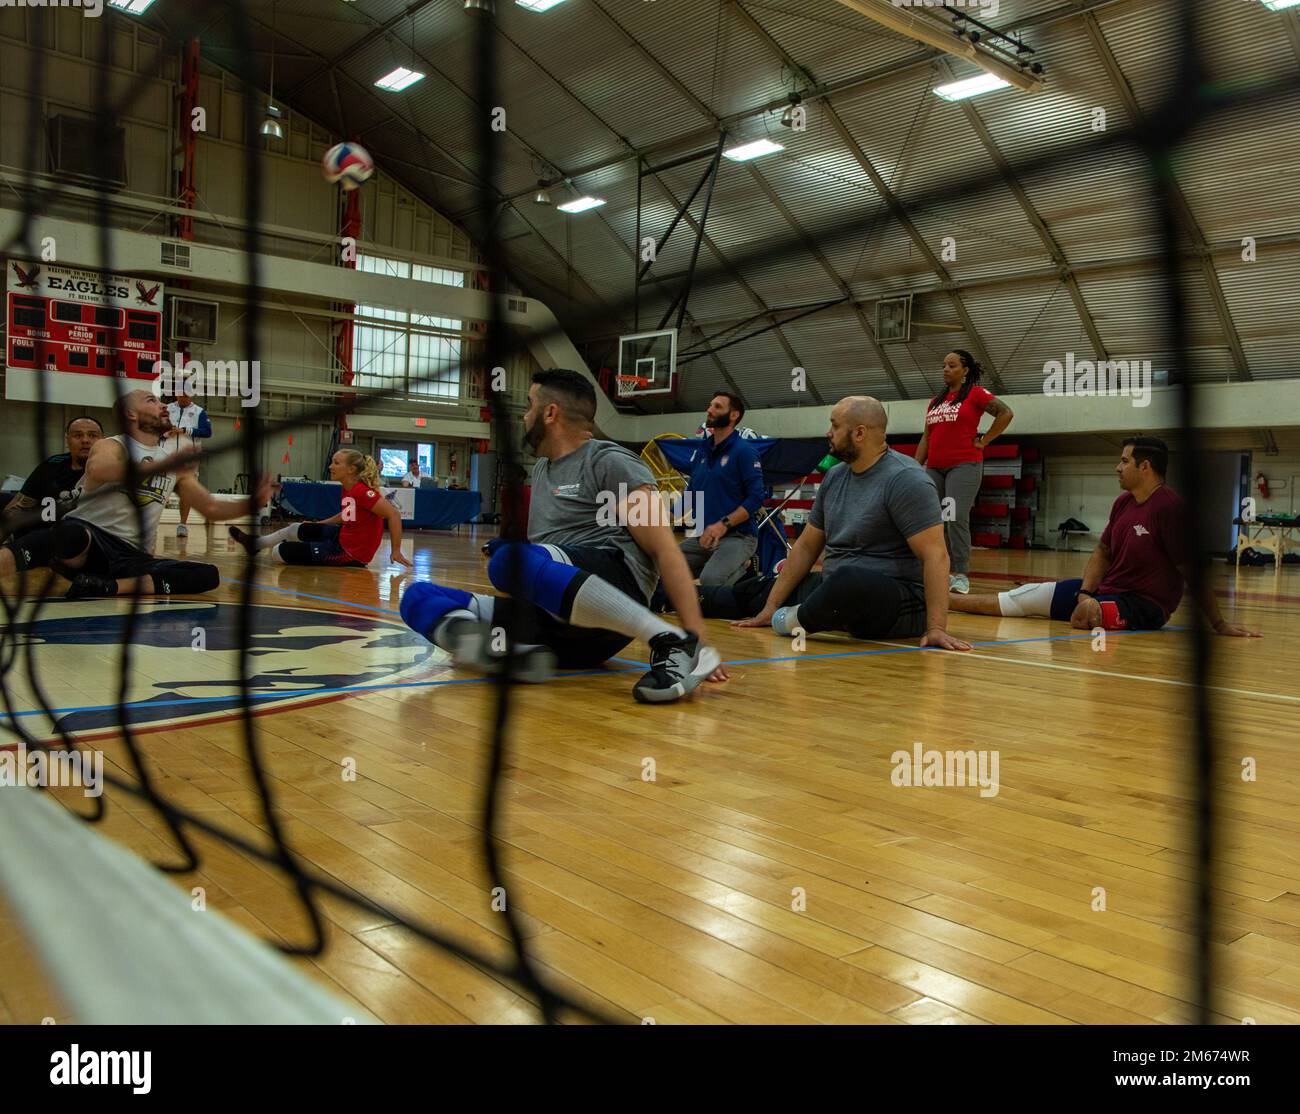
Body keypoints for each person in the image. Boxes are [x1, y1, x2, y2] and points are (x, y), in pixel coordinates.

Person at [399, 368, 727, 703]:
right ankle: (501, 653)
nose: (525, 417)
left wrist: (696, 635)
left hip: (616, 595)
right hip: (562, 629)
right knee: (416, 597)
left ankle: (671, 640)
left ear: (550, 412)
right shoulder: (542, 469)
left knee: (506, 563)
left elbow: (665, 551)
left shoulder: (608, 461)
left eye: (529, 406)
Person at [723, 396, 971, 651]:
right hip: (835, 591)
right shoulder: (835, 475)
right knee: (753, 590)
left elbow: (936, 555)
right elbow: (807, 546)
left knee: (848, 582)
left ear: (860, 433)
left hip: (892, 601)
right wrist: (771, 604)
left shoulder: (906, 479)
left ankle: (789, 621)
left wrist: (936, 629)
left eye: (835, 426)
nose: (828, 433)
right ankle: (684, 599)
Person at [948, 436, 1260, 637]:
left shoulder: (1170, 508)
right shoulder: (1123, 502)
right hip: (1105, 591)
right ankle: (939, 600)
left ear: (1145, 467)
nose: (1117, 467)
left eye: (1124, 461)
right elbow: (1102, 552)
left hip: (1145, 605)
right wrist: (1085, 590)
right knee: (1026, 595)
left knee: (1087, 614)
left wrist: (1219, 624)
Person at [0, 390, 266, 598]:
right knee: (66, 533)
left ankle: (107, 588)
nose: (163, 405)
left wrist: (254, 502)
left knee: (207, 575)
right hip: (90, 541)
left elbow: (211, 508)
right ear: (131, 414)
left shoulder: (174, 464)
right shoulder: (112, 444)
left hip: (132, 558)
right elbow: (99, 468)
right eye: (152, 400)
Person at [914, 350, 1013, 595]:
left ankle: (960, 574)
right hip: (935, 467)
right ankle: (938, 571)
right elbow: (927, 436)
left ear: (965, 370)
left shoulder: (976, 394)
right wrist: (915, 467)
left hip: (963, 466)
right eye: (944, 365)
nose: (946, 369)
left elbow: (1005, 413)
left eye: (952, 365)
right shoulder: (935, 401)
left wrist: (985, 440)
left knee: (954, 517)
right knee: (933, 521)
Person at [229, 450, 412, 568]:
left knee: (279, 552)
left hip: (349, 554)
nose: (331, 466)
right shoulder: (348, 487)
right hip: (342, 538)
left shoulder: (362, 492)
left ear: (351, 469)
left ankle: (308, 550)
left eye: (336, 463)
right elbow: (348, 514)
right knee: (296, 528)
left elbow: (393, 514)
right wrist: (319, 525)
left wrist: (395, 550)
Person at [677, 390, 766, 587]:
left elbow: (756, 498)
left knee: (710, 582)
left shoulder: (745, 452)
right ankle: (715, 565)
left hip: (738, 537)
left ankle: (745, 567)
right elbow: (691, 492)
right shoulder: (702, 451)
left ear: (734, 415)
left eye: (717, 407)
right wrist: (664, 518)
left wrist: (723, 524)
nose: (709, 410)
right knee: (663, 564)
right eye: (710, 405)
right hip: (704, 538)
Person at [2, 416, 103, 538]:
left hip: (78, 540)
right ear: (67, 440)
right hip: (36, 535)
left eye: (92, 435)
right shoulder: (52, 464)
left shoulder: (110, 472)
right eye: (77, 435)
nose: (85, 440)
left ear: (103, 441)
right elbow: (17, 508)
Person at [165, 391, 212, 538]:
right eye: (180, 394)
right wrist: (167, 432)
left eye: (186, 395)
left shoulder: (199, 412)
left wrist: (185, 430)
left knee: (186, 493)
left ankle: (182, 525)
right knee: (161, 490)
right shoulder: (166, 409)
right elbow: (156, 427)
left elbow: (207, 432)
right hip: (166, 456)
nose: (183, 398)